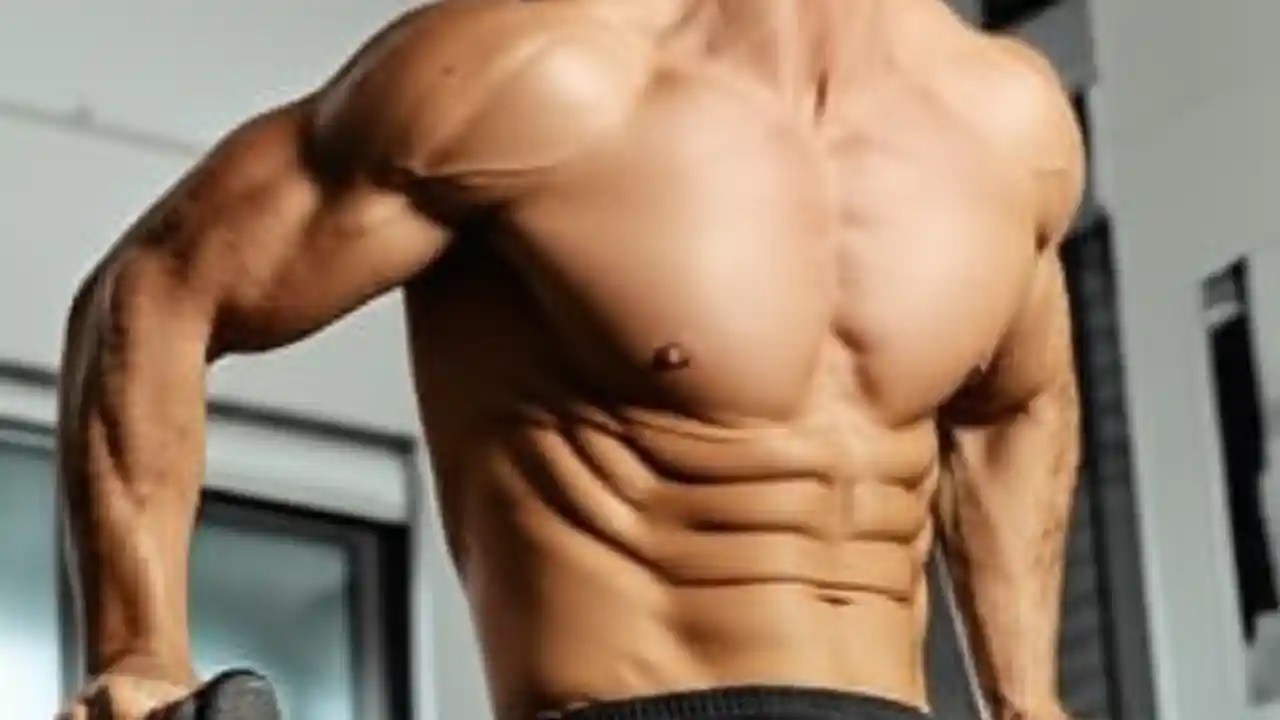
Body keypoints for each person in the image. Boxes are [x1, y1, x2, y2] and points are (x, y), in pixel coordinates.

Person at [55, 0, 1085, 718]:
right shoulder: (539, 78)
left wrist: (1024, 696)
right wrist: (140, 645)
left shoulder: (1006, 122)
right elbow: (155, 292)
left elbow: (1012, 406)